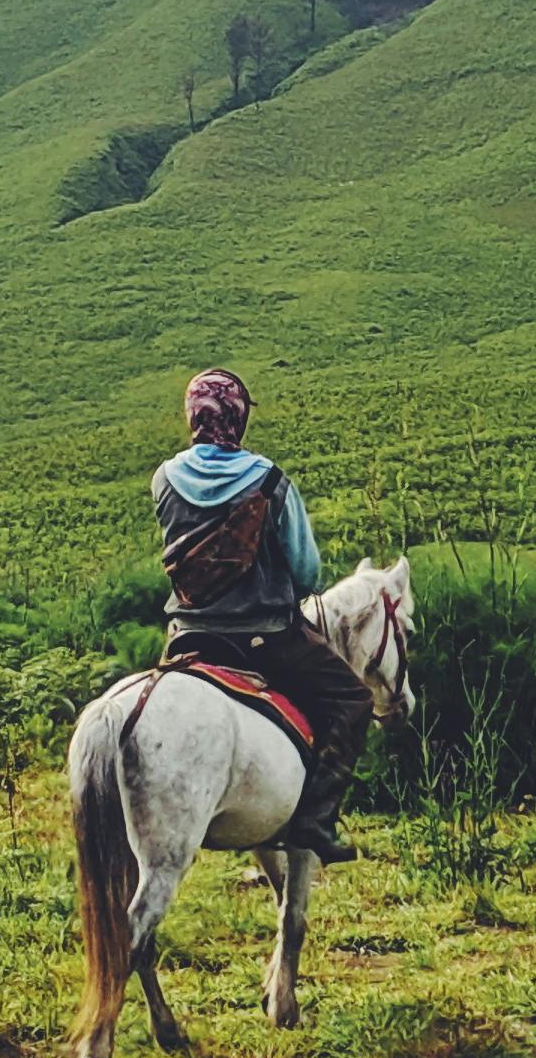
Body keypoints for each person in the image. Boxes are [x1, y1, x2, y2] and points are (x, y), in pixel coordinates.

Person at [148, 368, 371, 862]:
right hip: (263, 637)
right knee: (352, 699)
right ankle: (314, 824)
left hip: (188, 637)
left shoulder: (164, 478)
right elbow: (307, 572)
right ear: (238, 416)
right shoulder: (269, 479)